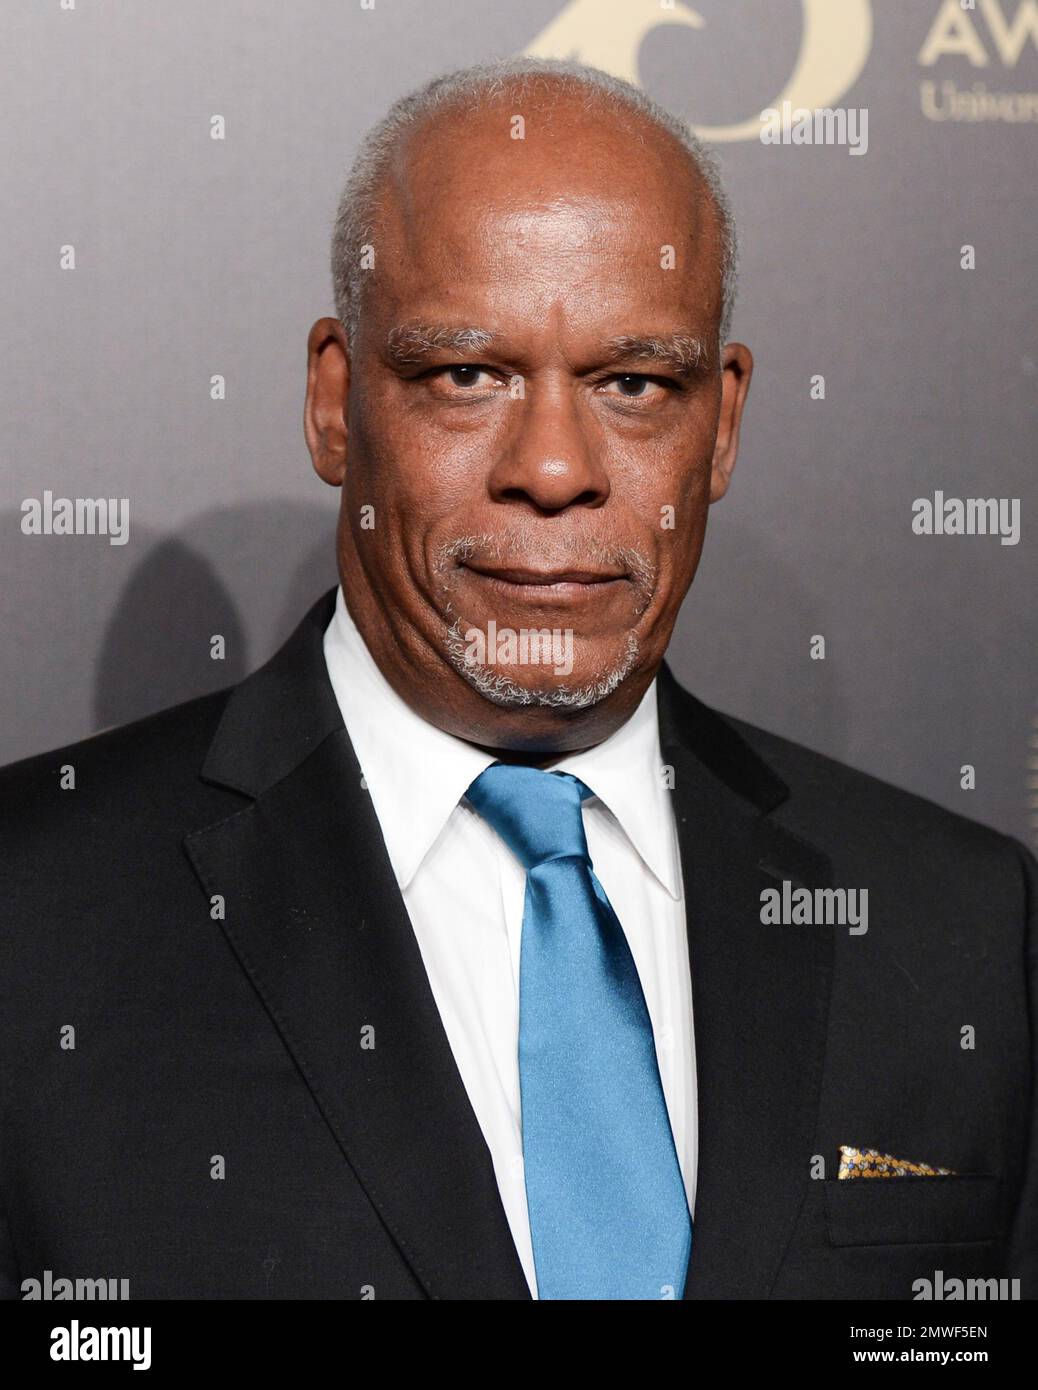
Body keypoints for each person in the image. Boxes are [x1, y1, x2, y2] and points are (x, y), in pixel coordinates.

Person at [1, 57, 1034, 1301]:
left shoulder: (958, 925)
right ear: (335, 403)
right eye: (467, 375)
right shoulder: (33, 915)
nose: (554, 468)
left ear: (725, 423)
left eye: (635, 384)